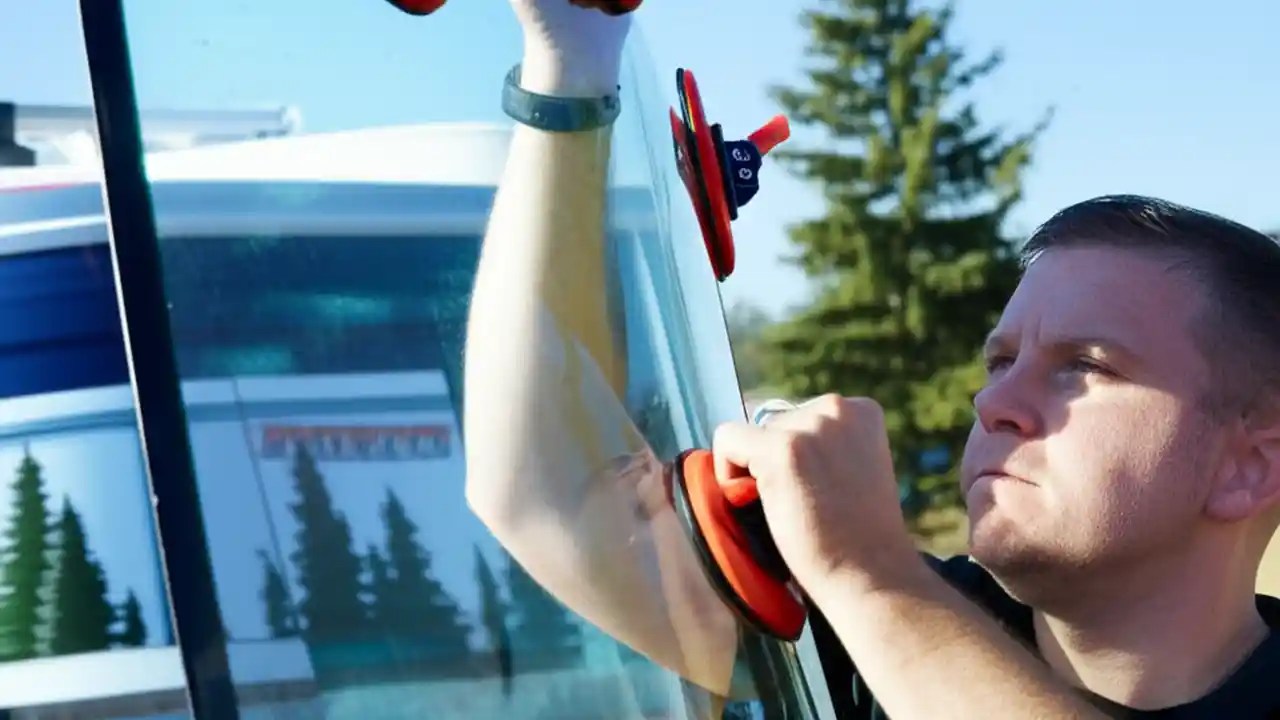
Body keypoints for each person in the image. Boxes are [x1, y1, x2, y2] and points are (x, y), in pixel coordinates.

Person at [461, 1, 1280, 717]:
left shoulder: (883, 605)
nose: (994, 405)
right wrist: (573, 67)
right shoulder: (870, 633)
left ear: (1251, 462)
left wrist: (868, 572)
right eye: (1000, 361)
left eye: (1085, 367)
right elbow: (547, 494)